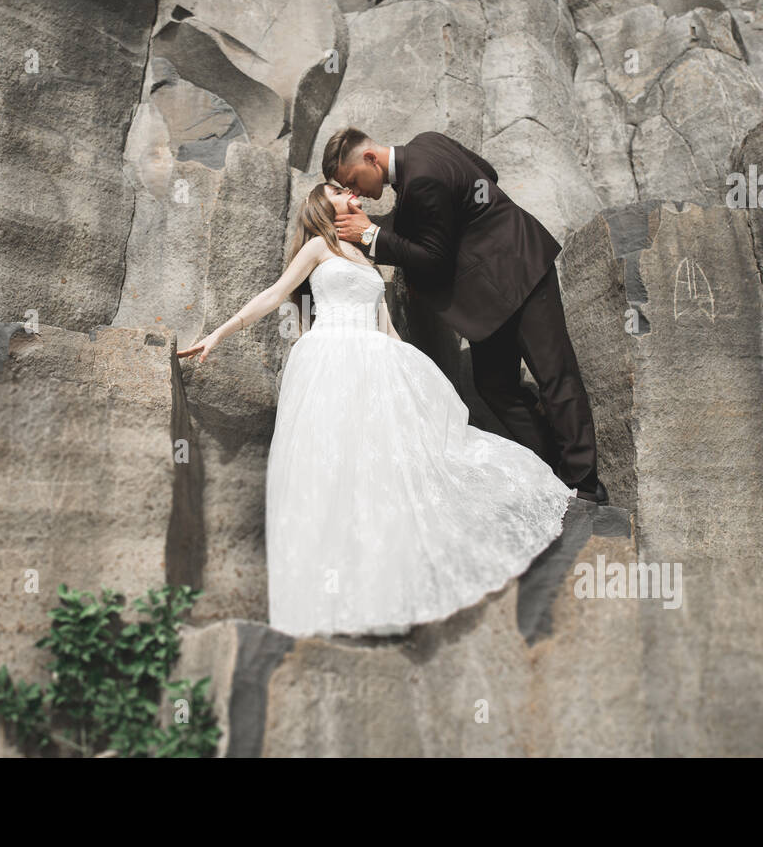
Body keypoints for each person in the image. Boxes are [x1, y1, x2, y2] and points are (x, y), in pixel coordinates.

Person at [177, 181, 573, 639]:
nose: (355, 197)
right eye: (343, 193)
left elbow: (387, 327)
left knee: (383, 471)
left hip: (375, 360)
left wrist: (420, 379)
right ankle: (329, 601)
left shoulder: (366, 256)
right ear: (324, 205)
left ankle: (383, 591)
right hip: (330, 357)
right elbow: (273, 295)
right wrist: (218, 335)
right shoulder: (316, 248)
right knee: (333, 473)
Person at [324, 127, 607, 505]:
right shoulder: (427, 142)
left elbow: (435, 258)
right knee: (494, 385)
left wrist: (372, 236)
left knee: (556, 376)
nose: (355, 193)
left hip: (520, 270)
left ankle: (587, 486)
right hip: (490, 292)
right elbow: (487, 172)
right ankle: (554, 466)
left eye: (352, 182)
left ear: (371, 159)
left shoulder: (421, 179)